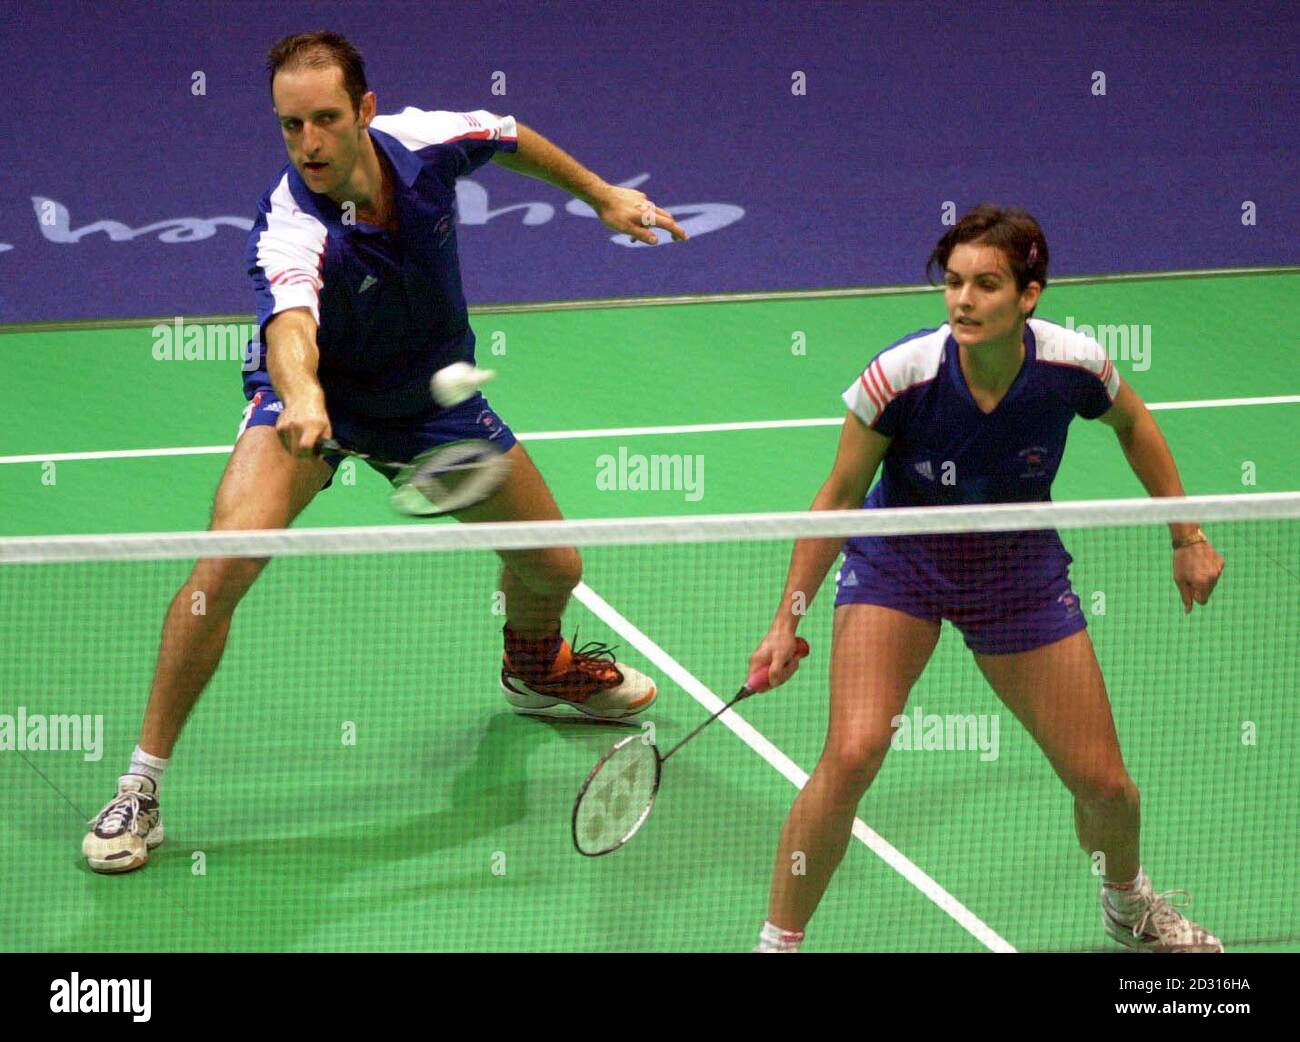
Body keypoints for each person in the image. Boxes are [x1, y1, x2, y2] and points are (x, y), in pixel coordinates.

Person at [83, 31, 687, 874]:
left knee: (555, 565)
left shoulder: (426, 143)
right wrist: (300, 395)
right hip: (317, 406)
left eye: (325, 119)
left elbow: (510, 136)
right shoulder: (293, 222)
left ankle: (534, 668)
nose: (309, 144)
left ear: (365, 110)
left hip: (428, 402)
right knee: (221, 568)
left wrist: (597, 194)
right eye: (290, 126)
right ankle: (140, 787)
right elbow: (290, 325)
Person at [748, 205, 1226, 953]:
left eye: (987, 285)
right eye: (954, 283)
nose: (964, 300)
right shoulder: (901, 374)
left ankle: (1129, 908)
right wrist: (788, 619)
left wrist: (1187, 536)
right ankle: (777, 943)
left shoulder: (1073, 365)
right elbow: (839, 496)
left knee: (1105, 785)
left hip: (1018, 573)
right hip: (900, 563)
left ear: (1029, 296)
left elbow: (1134, 423)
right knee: (852, 753)